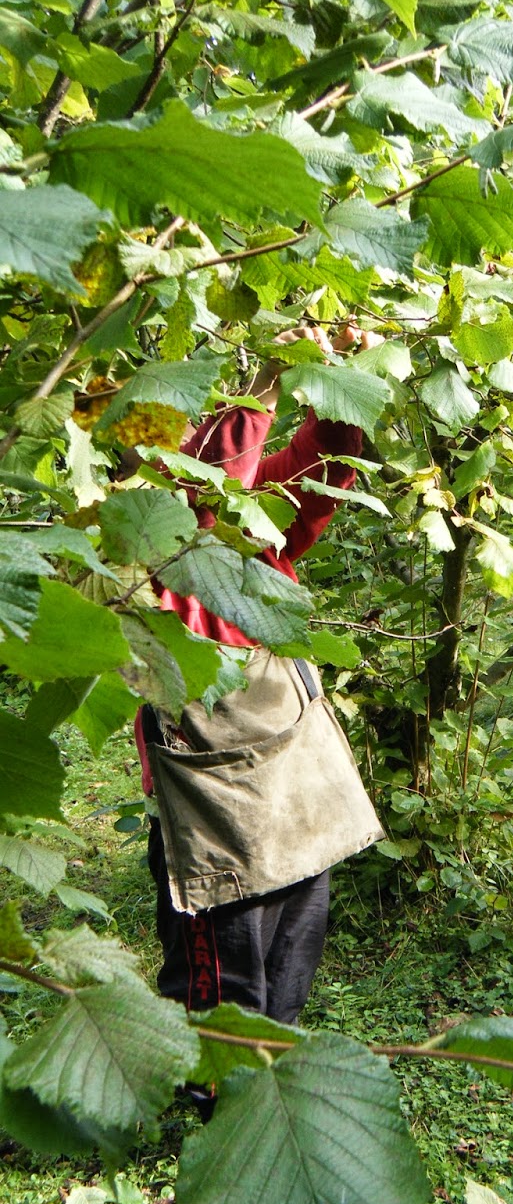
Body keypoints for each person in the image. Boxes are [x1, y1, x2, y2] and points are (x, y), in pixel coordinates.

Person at [131, 324, 383, 1084]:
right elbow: (202, 493)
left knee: (287, 974)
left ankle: (266, 1091)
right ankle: (219, 1101)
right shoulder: (147, 533)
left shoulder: (253, 527)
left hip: (296, 798)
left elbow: (316, 472)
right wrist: (265, 384)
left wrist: (336, 379)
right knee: (222, 993)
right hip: (218, 814)